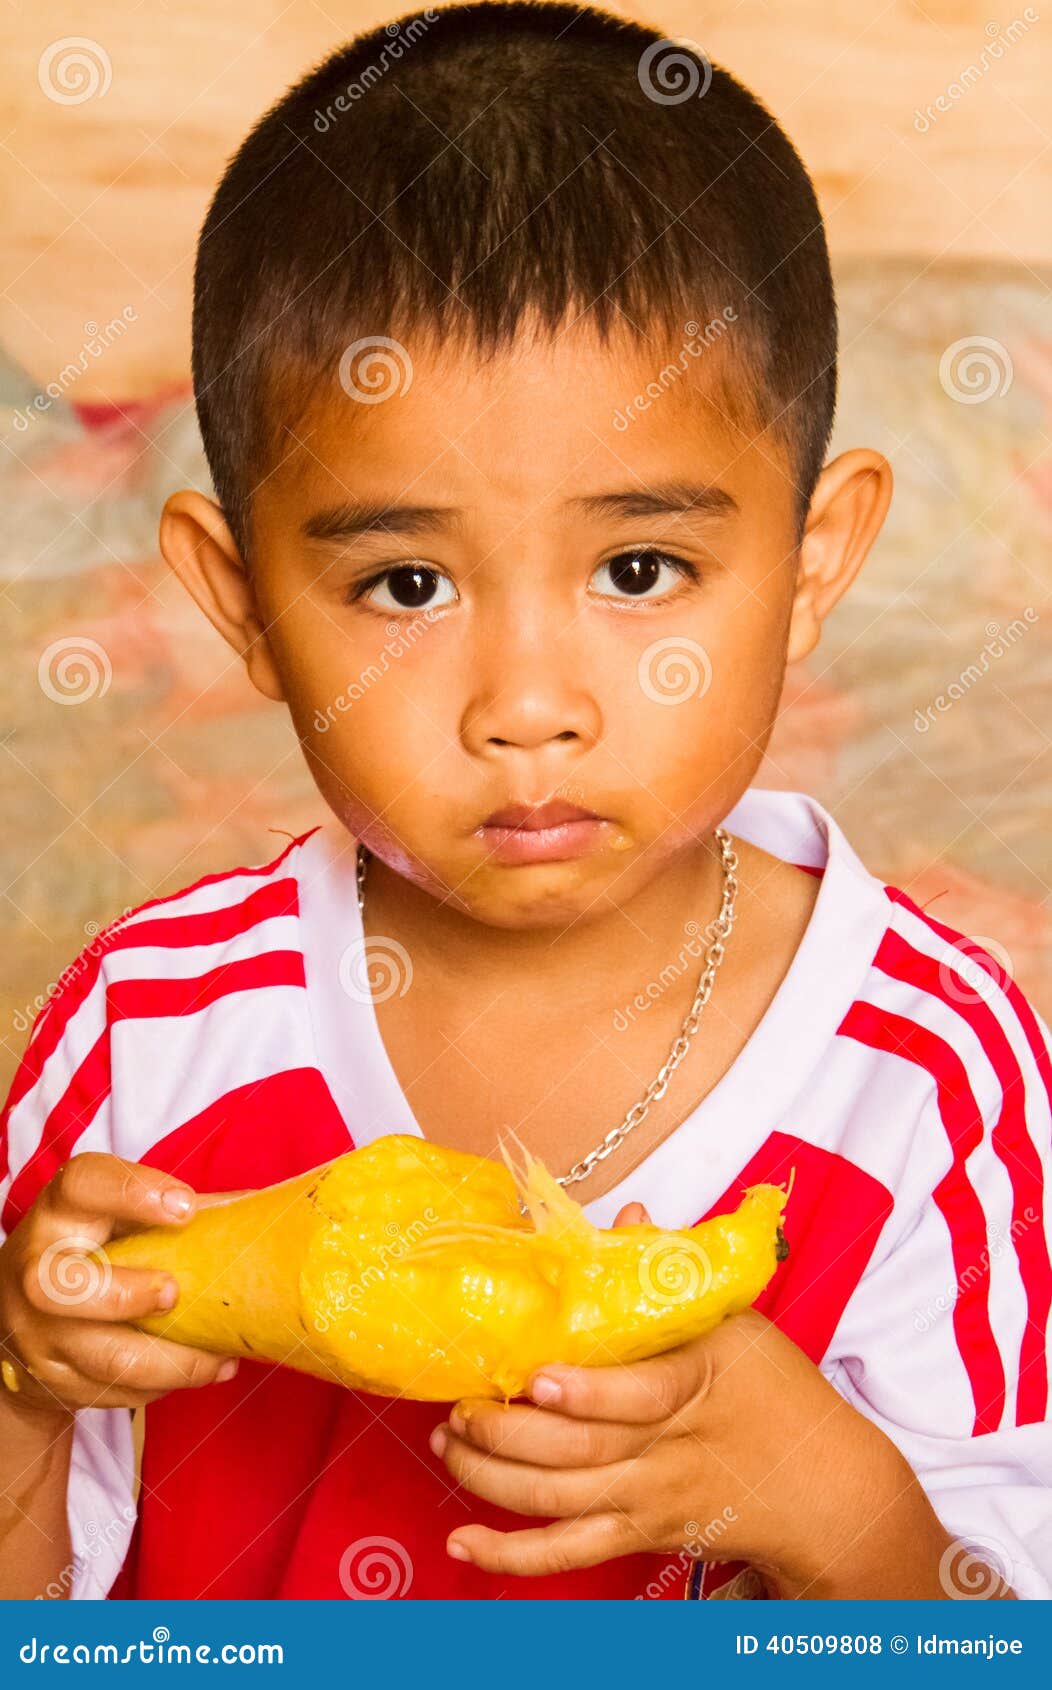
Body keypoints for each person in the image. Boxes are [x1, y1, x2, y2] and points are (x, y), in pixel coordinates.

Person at [1, 1, 1049, 1602]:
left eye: (641, 570)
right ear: (242, 607)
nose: (529, 706)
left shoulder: (923, 1079)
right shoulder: (148, 1039)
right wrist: (22, 1385)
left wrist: (832, 1501)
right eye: (405, 582)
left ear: (816, 564)